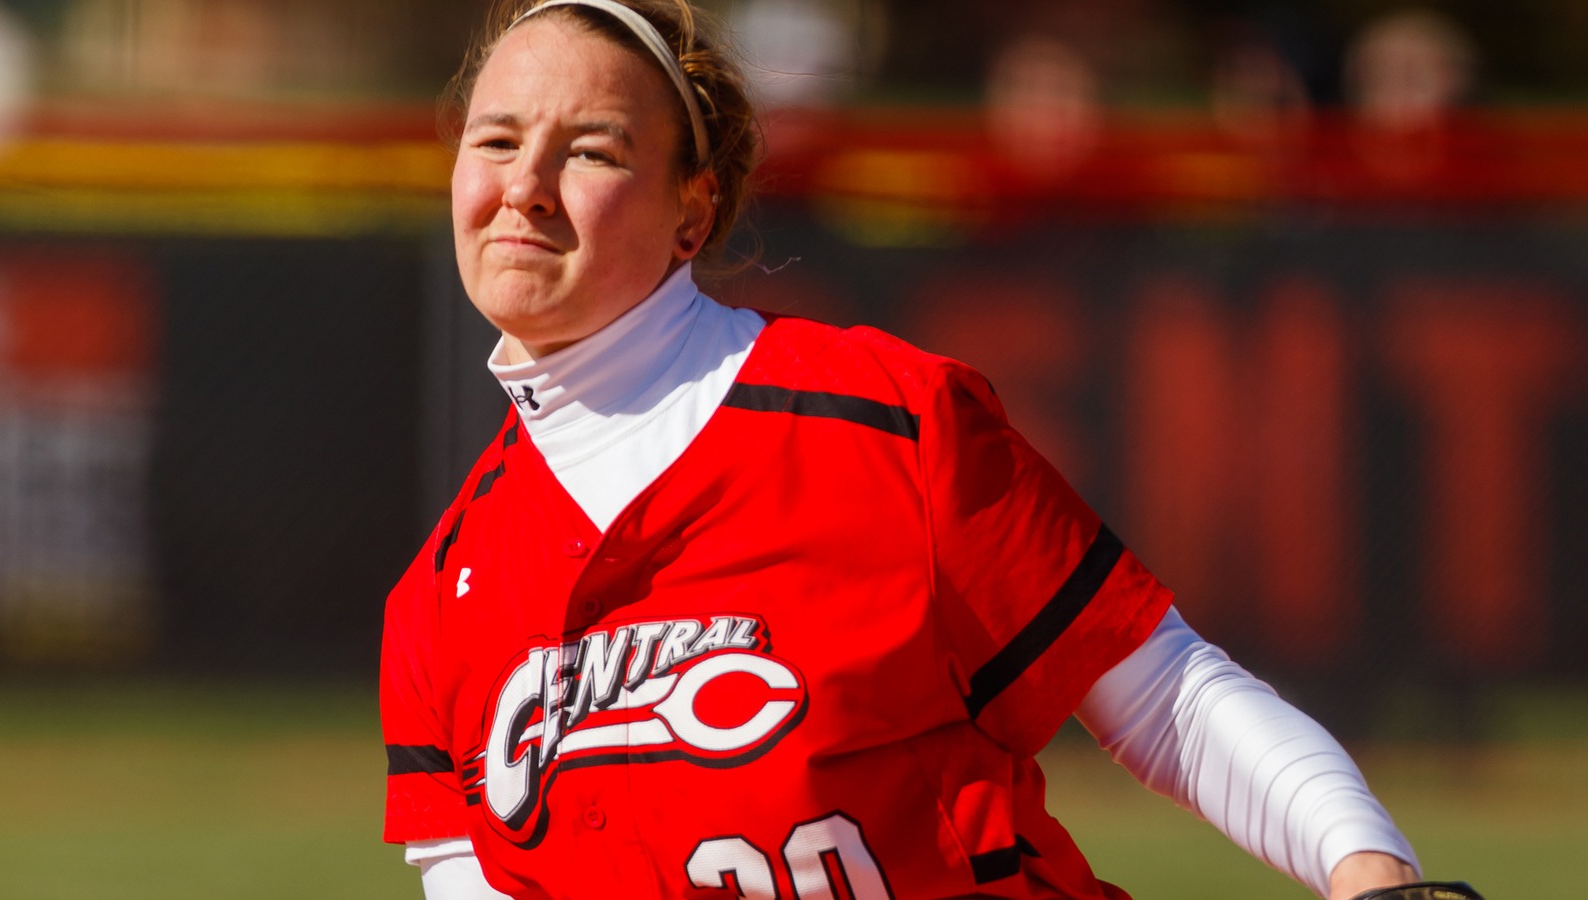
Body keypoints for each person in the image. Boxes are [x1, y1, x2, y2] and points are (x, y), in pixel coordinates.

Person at [379, 2, 1459, 898]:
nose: (524, 185)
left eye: (592, 150)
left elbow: (1166, 696)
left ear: (691, 211)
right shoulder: (437, 595)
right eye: (497, 139)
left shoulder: (881, 421)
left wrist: (1367, 870)